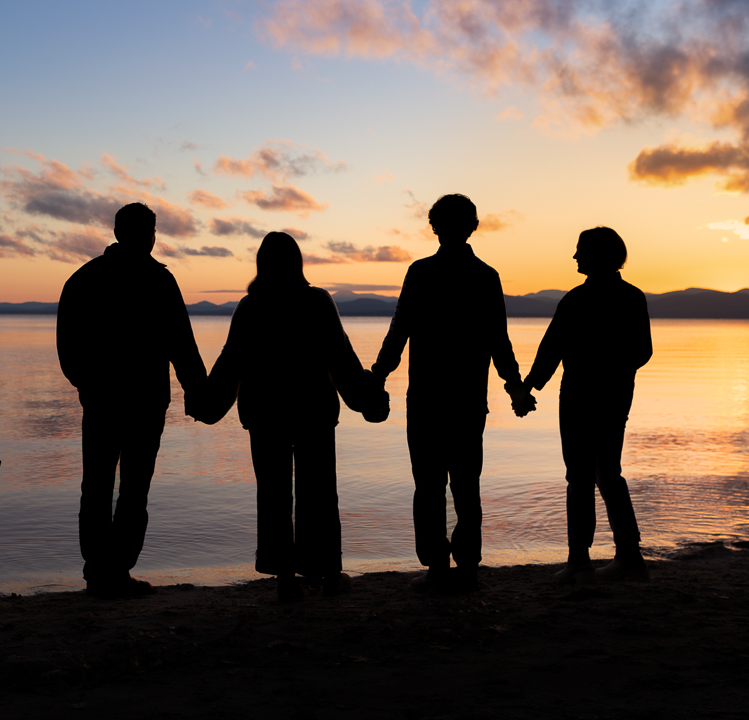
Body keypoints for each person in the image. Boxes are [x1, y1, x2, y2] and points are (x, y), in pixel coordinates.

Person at [193, 232, 388, 602]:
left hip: (266, 414)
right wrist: (368, 400)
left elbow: (230, 361)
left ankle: (285, 579)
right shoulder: (317, 301)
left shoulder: (251, 306)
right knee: (319, 493)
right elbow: (342, 359)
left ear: (261, 265)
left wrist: (207, 403)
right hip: (313, 411)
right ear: (298, 263)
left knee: (274, 495)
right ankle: (328, 574)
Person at [371, 193, 534, 593]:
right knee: (465, 484)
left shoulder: (421, 272)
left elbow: (399, 331)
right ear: (473, 227)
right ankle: (468, 568)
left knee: (429, 486)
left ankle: (438, 568)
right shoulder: (485, 276)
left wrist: (378, 375)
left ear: (434, 226)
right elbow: (500, 342)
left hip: (427, 399)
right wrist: (514, 387)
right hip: (467, 400)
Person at [56, 202, 207, 598]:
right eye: (148, 231)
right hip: (136, 401)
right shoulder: (154, 280)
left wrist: (86, 385)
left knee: (102, 487)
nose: (150, 238)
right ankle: (112, 571)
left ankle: (103, 573)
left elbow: (68, 346)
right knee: (128, 489)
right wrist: (199, 392)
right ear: (136, 234)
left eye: (150, 231)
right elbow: (182, 345)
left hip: (116, 401)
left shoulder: (86, 278)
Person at [523, 227, 652, 585]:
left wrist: (528, 387)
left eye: (580, 250)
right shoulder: (631, 296)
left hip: (581, 395)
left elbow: (551, 348)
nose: (575, 256)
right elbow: (641, 352)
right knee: (607, 472)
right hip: (615, 395)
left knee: (581, 476)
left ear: (598, 255)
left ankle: (581, 561)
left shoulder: (577, 299)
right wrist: (529, 386)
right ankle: (629, 557)